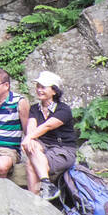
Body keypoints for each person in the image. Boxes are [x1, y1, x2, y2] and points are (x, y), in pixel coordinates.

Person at [22, 70, 78, 199]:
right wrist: (30, 138)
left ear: (54, 91)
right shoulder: (35, 108)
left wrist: (29, 138)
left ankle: (39, 193)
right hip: (43, 147)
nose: (39, 90)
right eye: (38, 87)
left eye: (43, 87)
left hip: (62, 149)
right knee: (32, 144)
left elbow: (47, 126)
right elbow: (31, 127)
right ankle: (43, 189)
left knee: (31, 163)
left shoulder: (63, 109)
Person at [0, 68, 30, 178]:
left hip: (7, 149)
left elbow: (27, 130)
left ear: (6, 85)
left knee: (2, 167)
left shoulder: (19, 102)